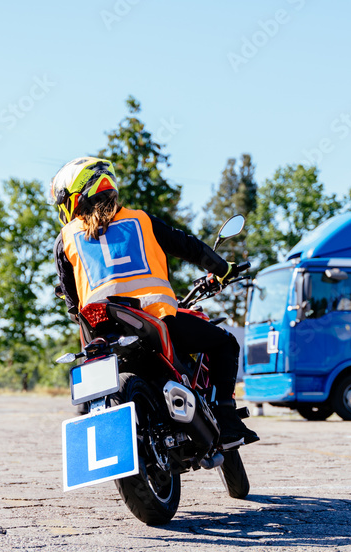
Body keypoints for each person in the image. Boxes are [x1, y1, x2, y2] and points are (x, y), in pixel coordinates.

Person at [50, 156, 257, 445]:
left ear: (75, 198)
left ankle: (101, 435)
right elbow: (189, 247)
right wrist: (223, 269)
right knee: (225, 343)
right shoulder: (141, 220)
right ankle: (227, 418)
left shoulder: (65, 239)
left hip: (101, 332)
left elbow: (73, 305)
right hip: (155, 318)